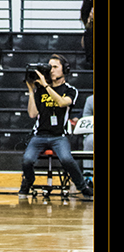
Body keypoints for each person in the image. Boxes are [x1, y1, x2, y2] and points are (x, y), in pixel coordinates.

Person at [19, 54, 93, 199]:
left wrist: (45, 86)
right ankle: (28, 182)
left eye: (55, 67)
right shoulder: (40, 90)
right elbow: (33, 114)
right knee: (27, 160)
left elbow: (61, 102)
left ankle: (83, 187)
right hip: (39, 135)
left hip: (59, 136)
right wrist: (31, 91)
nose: (51, 70)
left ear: (64, 70)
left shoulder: (71, 90)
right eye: (49, 67)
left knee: (67, 159)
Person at [80, 0, 93, 69]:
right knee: (89, 34)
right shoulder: (88, 8)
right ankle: (91, 62)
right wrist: (89, 21)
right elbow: (87, 26)